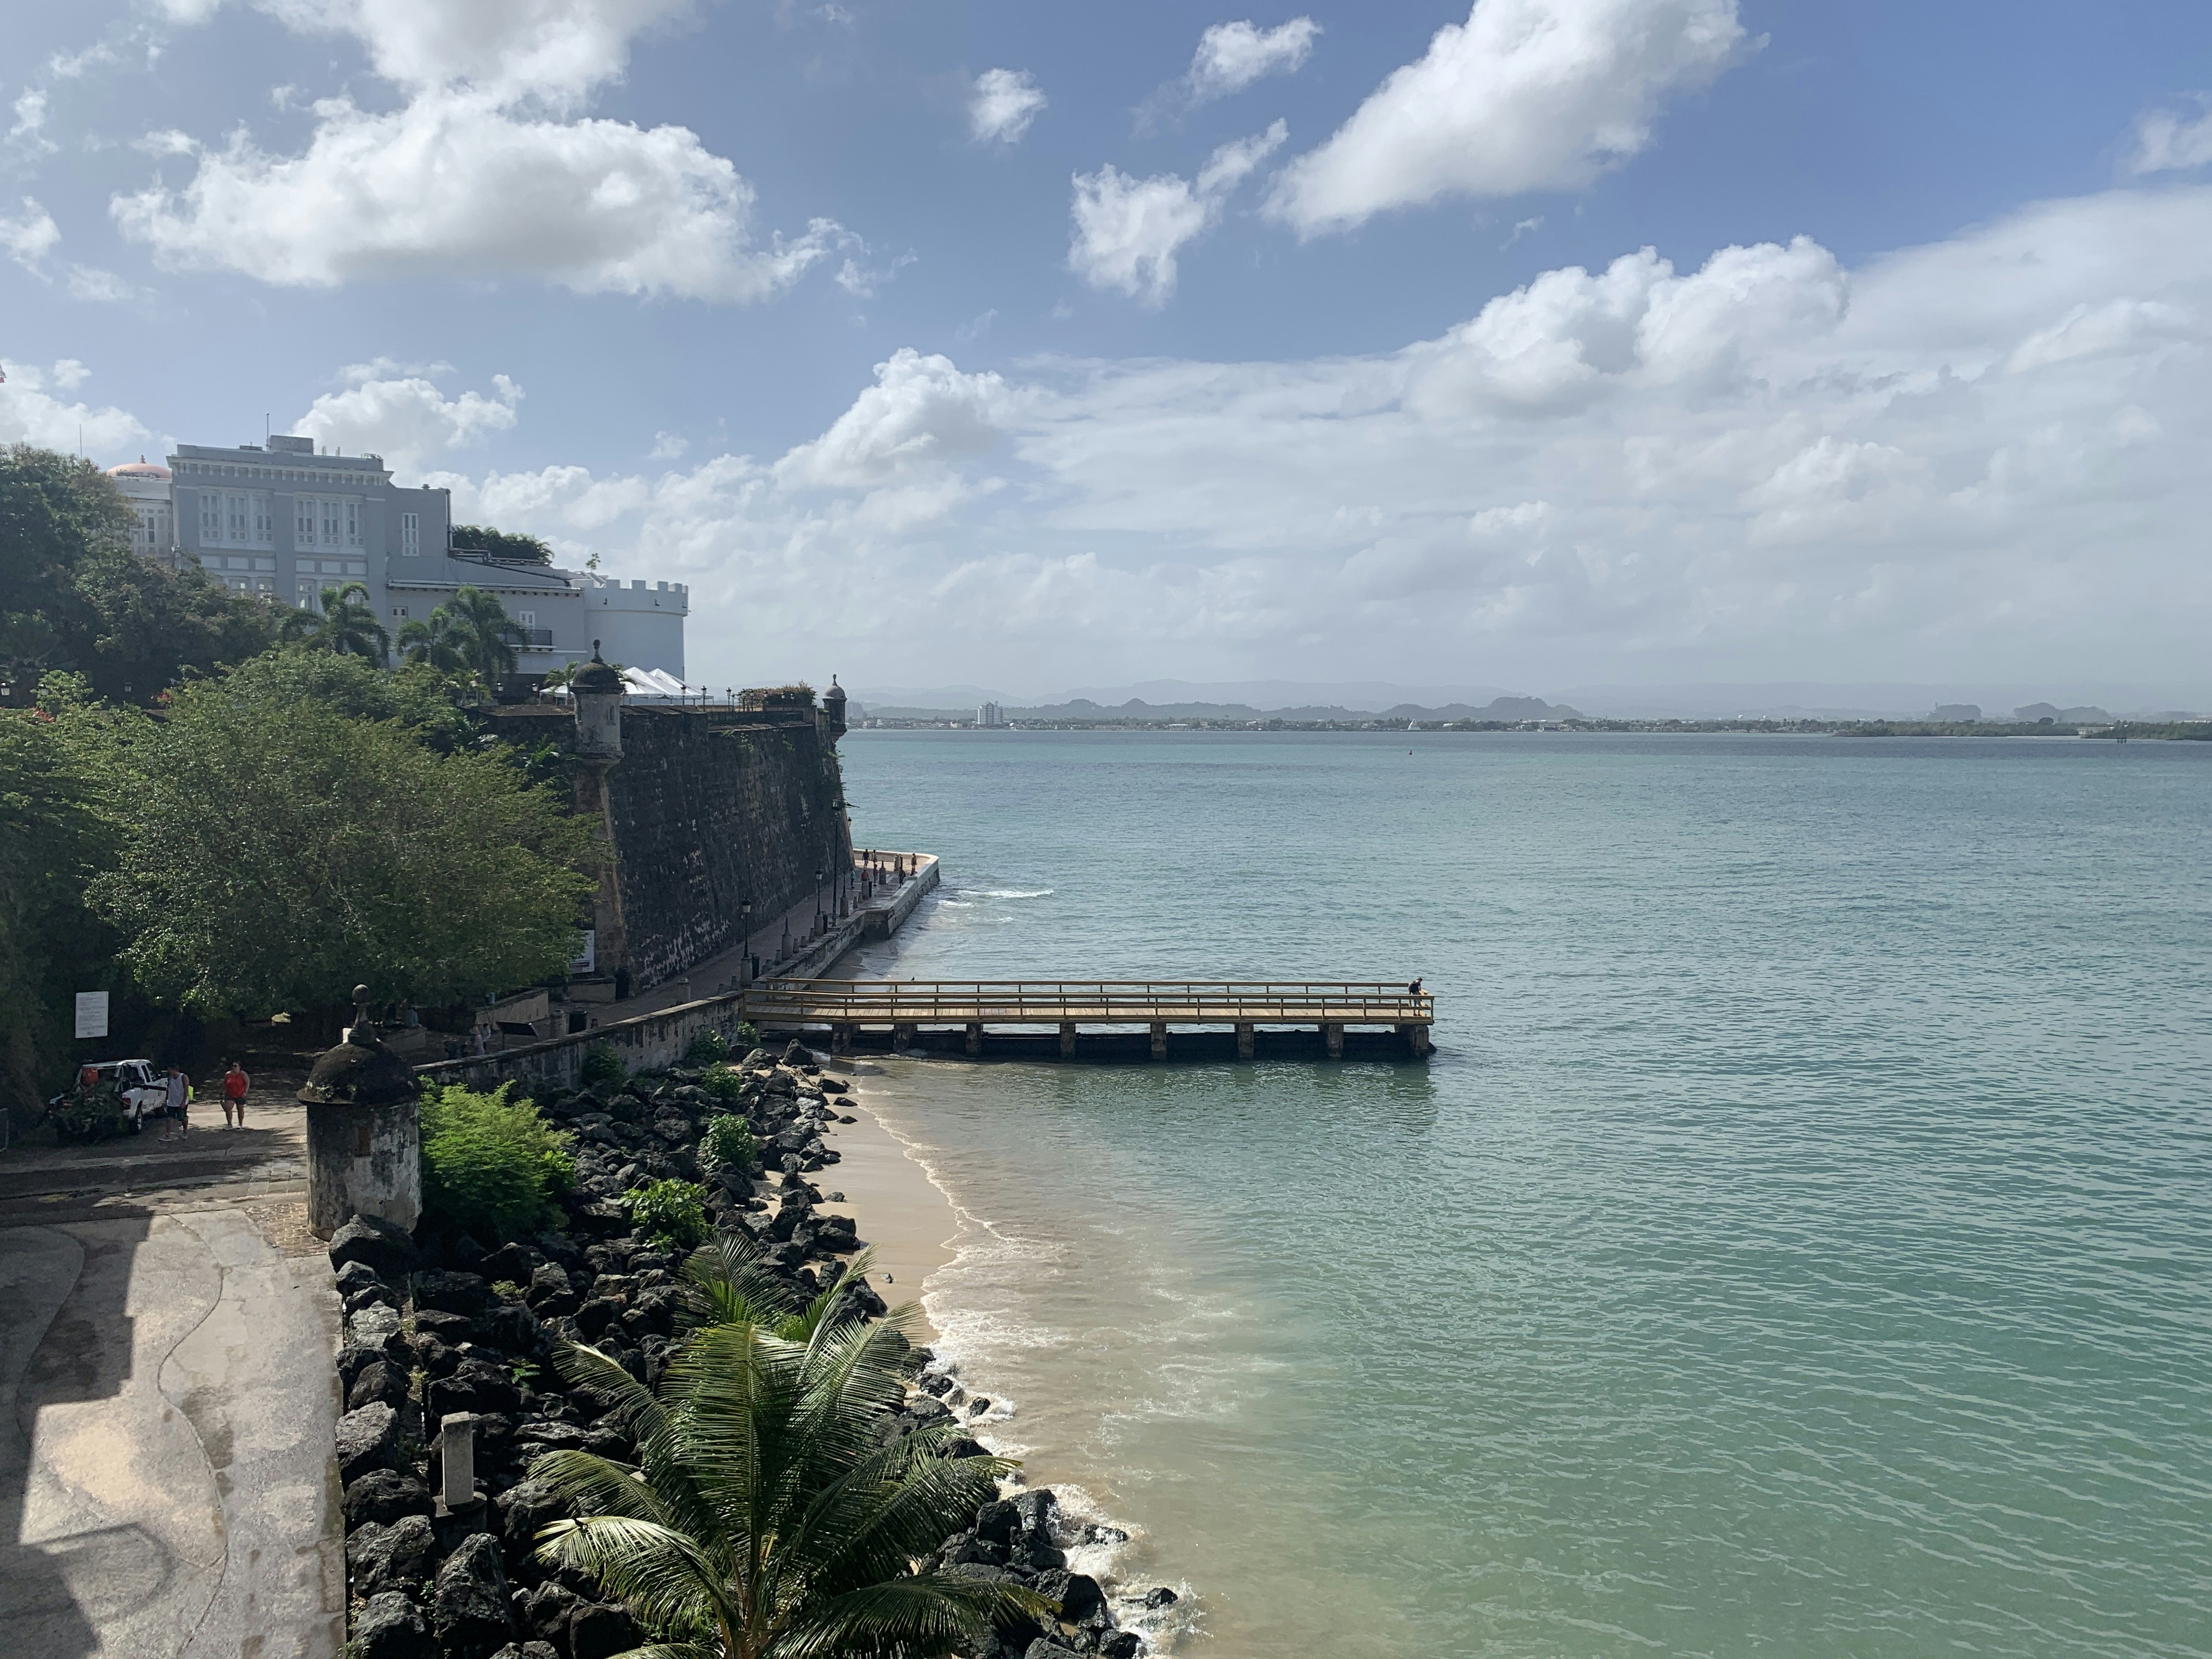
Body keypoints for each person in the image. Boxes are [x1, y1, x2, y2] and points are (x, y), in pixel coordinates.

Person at [161, 1065, 189, 1141]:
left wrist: (183, 1101)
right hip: (172, 1102)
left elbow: (186, 1090)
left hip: (181, 1102)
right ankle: (167, 1134)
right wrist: (166, 1100)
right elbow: (168, 1089)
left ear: (174, 1070)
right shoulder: (170, 1078)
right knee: (170, 1118)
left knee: (182, 1117)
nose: (169, 1072)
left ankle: (185, 1131)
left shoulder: (184, 1077)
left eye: (170, 1071)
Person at [221, 1059, 250, 1128]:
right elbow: (224, 1083)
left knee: (240, 1109)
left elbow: (247, 1083)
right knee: (228, 1108)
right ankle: (229, 1124)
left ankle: (240, 1124)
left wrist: (246, 1092)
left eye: (235, 1066)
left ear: (239, 1067)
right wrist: (222, 1092)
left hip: (240, 1094)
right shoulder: (228, 1074)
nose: (234, 1067)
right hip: (230, 1094)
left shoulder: (243, 1074)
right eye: (232, 1066)